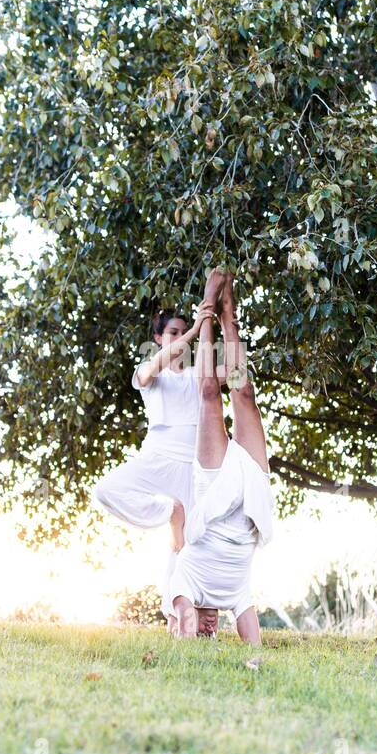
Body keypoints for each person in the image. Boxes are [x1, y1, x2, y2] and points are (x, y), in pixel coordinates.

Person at [165, 269, 274, 646]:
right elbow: (254, 641)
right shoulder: (235, 598)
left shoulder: (181, 585)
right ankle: (230, 316)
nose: (209, 628)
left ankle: (207, 309)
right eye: (212, 632)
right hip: (250, 495)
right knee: (243, 394)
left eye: (202, 628)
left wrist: (187, 630)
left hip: (212, 486)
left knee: (209, 391)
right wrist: (256, 659)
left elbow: (184, 619)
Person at [92, 301, 216, 629]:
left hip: (191, 466)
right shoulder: (147, 370)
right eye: (171, 333)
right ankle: (168, 512)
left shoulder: (194, 376)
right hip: (157, 459)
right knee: (105, 489)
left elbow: (210, 370)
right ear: (159, 338)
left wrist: (206, 323)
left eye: (182, 331)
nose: (178, 339)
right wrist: (191, 331)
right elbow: (155, 368)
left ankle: (182, 619)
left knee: (189, 546)